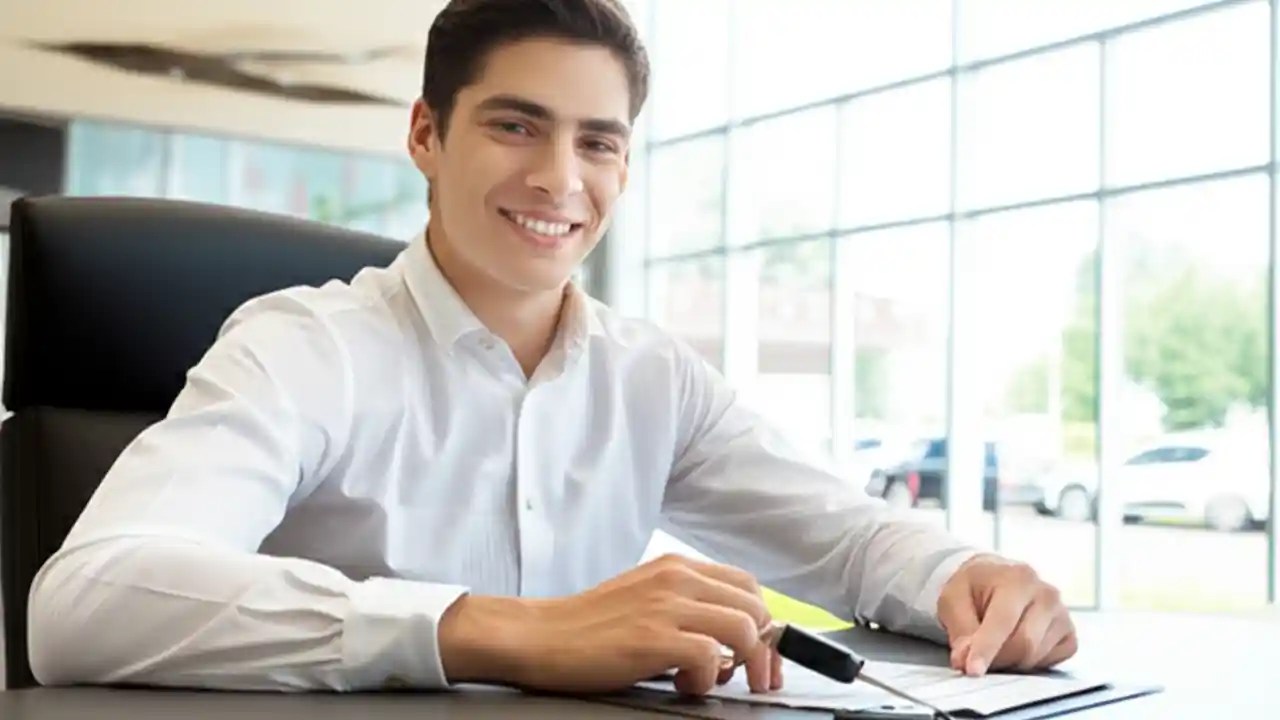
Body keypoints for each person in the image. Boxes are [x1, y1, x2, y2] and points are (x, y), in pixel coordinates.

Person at [27, 0, 1076, 697]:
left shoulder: (650, 377)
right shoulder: (304, 348)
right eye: (515, 126)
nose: (559, 179)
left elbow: (845, 542)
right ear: (426, 136)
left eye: (598, 141)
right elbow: (84, 605)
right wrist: (498, 630)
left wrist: (961, 574)